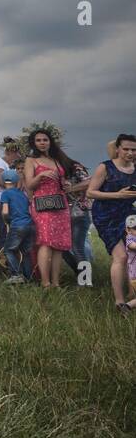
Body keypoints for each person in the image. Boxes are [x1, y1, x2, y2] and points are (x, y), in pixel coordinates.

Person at [84, 133, 136, 312]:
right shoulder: (105, 167)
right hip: (106, 216)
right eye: (126, 149)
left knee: (133, 255)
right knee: (120, 256)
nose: (130, 153)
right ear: (118, 149)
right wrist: (118, 195)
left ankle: (132, 294)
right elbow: (90, 193)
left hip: (129, 216)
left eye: (133, 150)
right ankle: (119, 301)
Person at [23, 128, 73, 289]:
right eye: (38, 140)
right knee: (45, 242)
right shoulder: (31, 160)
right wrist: (40, 176)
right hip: (41, 204)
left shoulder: (57, 160)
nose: (42, 143)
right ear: (34, 143)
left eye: (45, 140)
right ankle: (45, 282)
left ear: (50, 142)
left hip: (60, 204)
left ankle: (56, 283)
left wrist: (66, 184)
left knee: (59, 244)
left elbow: (62, 180)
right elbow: (29, 185)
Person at [0, 169, 35, 283]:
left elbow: (5, 212)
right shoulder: (22, 194)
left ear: (3, 181)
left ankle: (16, 275)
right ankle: (28, 277)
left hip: (17, 225)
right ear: (16, 180)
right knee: (25, 252)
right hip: (30, 225)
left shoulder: (5, 193)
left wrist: (6, 221)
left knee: (9, 250)